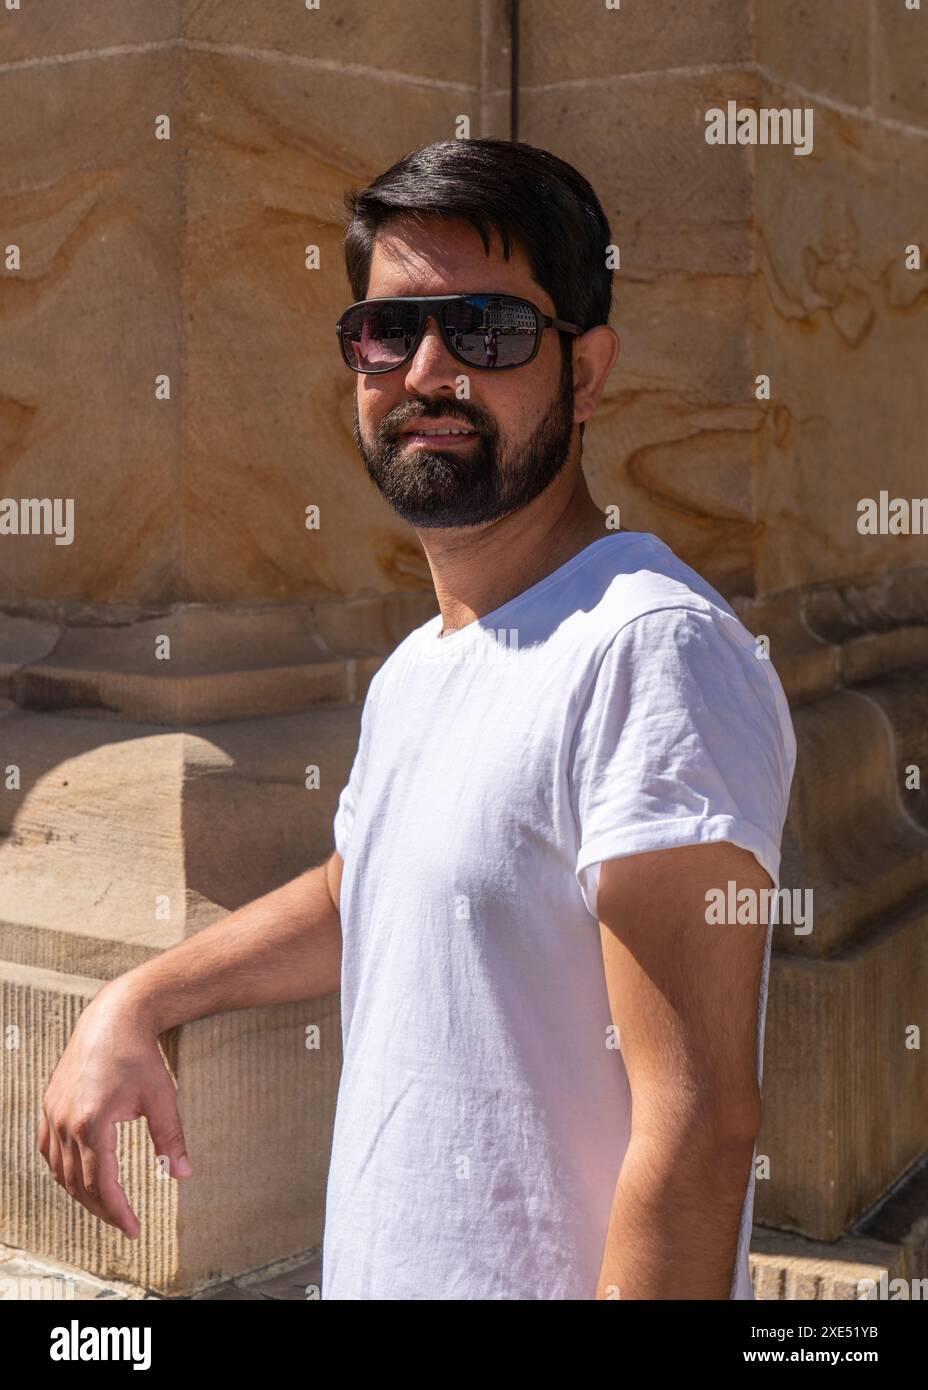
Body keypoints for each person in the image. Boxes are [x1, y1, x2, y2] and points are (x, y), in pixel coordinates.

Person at [39, 138, 796, 1302]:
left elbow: (697, 1130)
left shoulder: (649, 651)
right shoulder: (416, 665)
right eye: (388, 332)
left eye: (487, 329)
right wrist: (138, 996)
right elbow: (371, 887)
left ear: (585, 373)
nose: (428, 369)